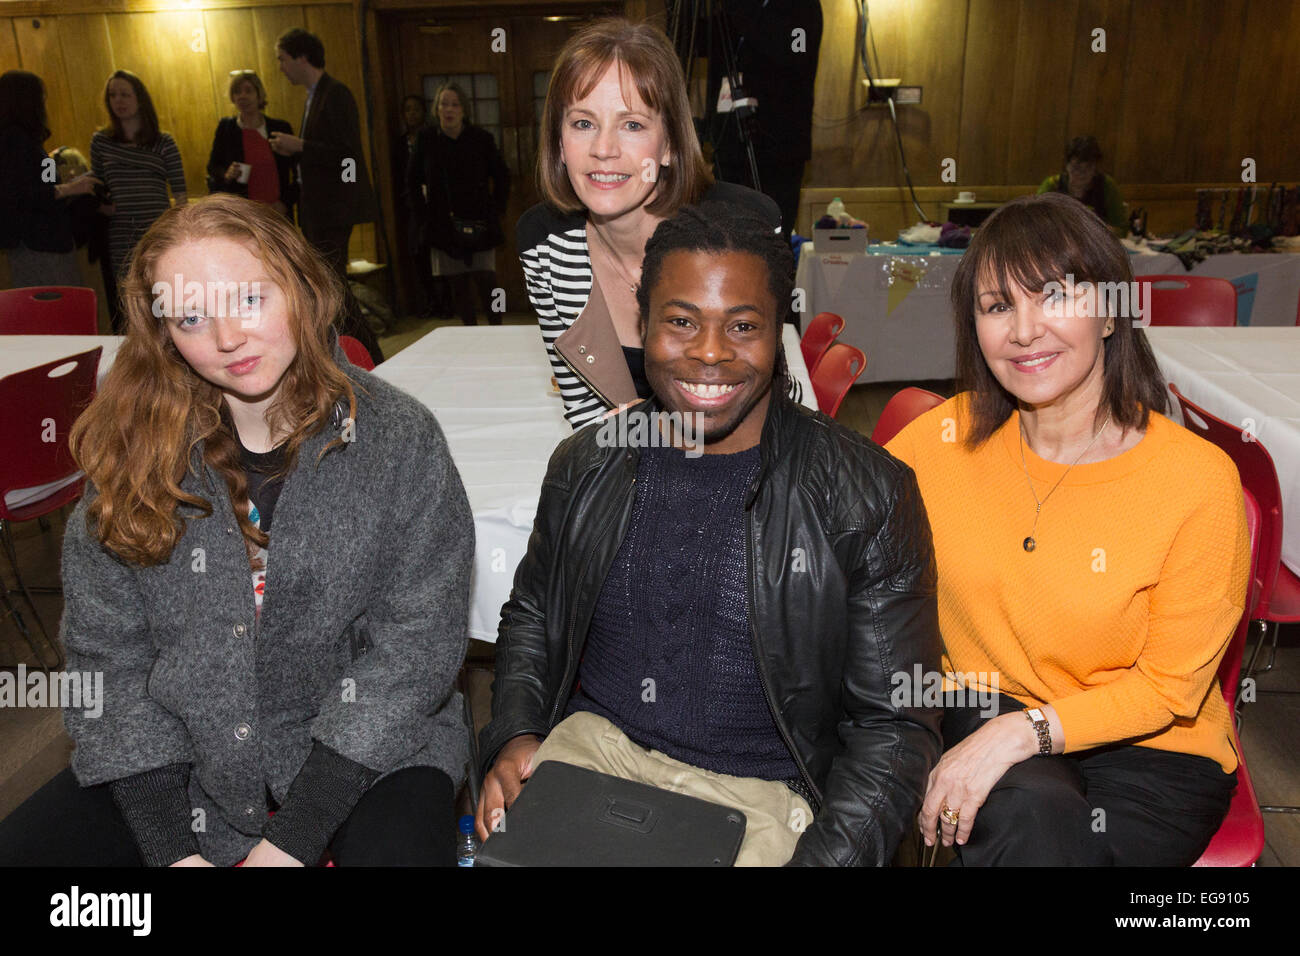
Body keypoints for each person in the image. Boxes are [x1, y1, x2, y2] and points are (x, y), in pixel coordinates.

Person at [0, 193, 474, 867]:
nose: (227, 338)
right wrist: (171, 849)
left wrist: (293, 840)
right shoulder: (130, 449)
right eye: (192, 317)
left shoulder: (398, 438)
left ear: (301, 288)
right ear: (164, 335)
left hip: (372, 749)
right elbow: (108, 666)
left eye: (249, 299)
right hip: (186, 746)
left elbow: (414, 653)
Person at [476, 206, 942, 866]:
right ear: (643, 325)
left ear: (778, 330)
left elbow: (895, 729)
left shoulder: (867, 493)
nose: (710, 352)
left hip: (761, 801)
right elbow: (532, 616)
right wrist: (515, 734)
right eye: (681, 321)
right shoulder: (587, 463)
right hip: (592, 761)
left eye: (743, 326)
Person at [886, 192, 1248, 866]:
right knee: (1034, 822)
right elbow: (836, 518)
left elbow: (1169, 690)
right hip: (988, 712)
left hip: (1151, 752)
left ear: (1110, 312)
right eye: (998, 307)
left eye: (1054, 296)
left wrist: (1023, 734)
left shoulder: (1197, 479)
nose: (1024, 332)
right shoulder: (943, 436)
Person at [520, 17, 785, 430]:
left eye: (632, 125)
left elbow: (761, 410)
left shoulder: (743, 230)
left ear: (669, 145)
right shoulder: (545, 246)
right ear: (560, 144)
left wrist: (647, 438)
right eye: (583, 123)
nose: (603, 150)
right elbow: (587, 418)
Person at [271, 27, 383, 365]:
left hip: (335, 207)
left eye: (283, 59)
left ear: (302, 57)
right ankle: (365, 356)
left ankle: (368, 357)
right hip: (318, 208)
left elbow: (347, 154)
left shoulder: (336, 93)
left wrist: (300, 147)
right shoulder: (313, 95)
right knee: (332, 286)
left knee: (333, 287)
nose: (280, 67)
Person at [407, 82, 510, 326]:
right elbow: (411, 182)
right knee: (459, 286)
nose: (449, 109)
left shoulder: (480, 138)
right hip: (444, 224)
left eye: (455, 104)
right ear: (437, 109)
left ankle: (499, 332)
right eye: (444, 104)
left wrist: (497, 209)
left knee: (487, 281)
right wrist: (423, 217)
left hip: (479, 221)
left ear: (464, 110)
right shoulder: (426, 139)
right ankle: (470, 335)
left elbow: (502, 176)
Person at [90, 69, 187, 326]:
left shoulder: (163, 141)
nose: (119, 101)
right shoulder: (101, 141)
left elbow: (180, 194)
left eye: (125, 94)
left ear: (139, 98)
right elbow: (96, 186)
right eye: (113, 96)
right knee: (129, 300)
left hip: (157, 230)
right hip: (120, 232)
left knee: (163, 295)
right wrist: (102, 206)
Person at [0, 70, 100, 288]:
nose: (44, 104)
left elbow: (47, 184)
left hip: (49, 239)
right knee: (54, 310)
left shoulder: (32, 141)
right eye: (40, 97)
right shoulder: (13, 140)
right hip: (37, 243)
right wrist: (70, 189)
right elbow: (23, 194)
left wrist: (74, 184)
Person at [205, 70, 298, 219]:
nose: (242, 96)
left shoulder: (280, 128)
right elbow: (213, 167)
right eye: (237, 92)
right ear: (232, 97)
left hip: (277, 211)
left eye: (248, 91)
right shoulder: (226, 128)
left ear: (259, 95)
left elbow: (297, 172)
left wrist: (285, 203)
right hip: (243, 213)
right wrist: (226, 174)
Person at [392, 93, 444, 318]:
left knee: (440, 255)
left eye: (416, 109)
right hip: (412, 207)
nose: (412, 114)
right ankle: (429, 301)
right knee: (419, 254)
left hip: (436, 205)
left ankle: (445, 303)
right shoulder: (399, 143)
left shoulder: (434, 137)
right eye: (407, 110)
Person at [1037, 135, 1127, 233]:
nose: (1081, 174)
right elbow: (1035, 222)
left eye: (1088, 168)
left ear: (1096, 167)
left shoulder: (1107, 186)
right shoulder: (1052, 185)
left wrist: (1102, 231)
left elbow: (1122, 230)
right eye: (1076, 167)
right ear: (1066, 166)